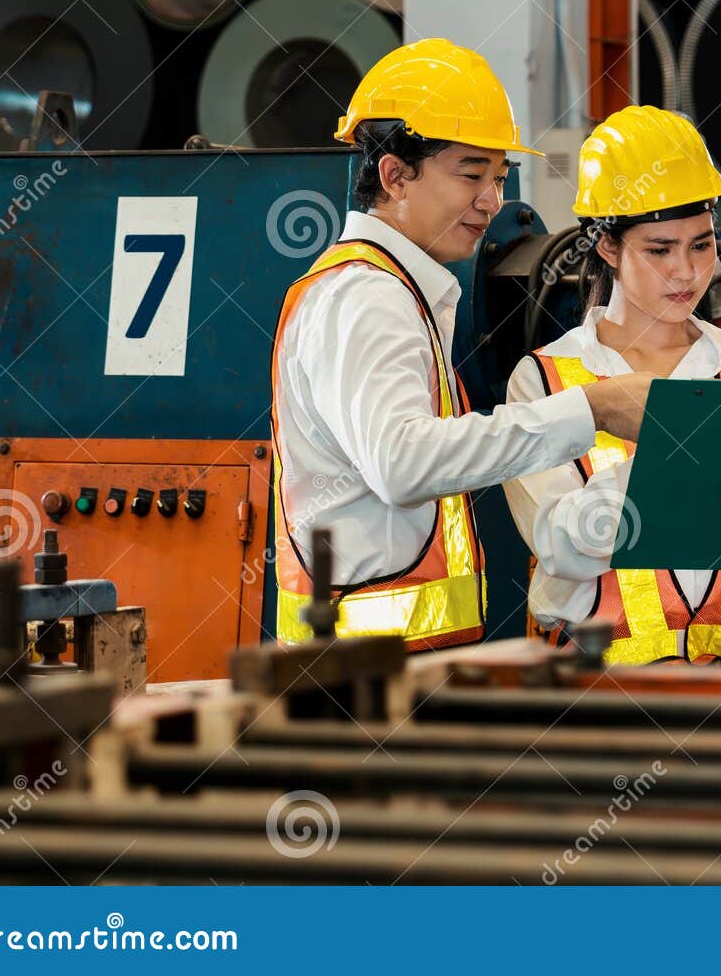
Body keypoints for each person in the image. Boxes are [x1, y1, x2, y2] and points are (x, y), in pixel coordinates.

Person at [270, 38, 652, 650]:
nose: (492, 201)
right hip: (367, 675)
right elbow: (404, 464)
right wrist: (594, 407)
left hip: (390, 665)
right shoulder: (367, 296)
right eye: (471, 173)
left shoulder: (400, 291)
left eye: (499, 177)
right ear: (394, 175)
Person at [504, 105, 721, 665]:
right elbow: (558, 547)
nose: (686, 272)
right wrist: (670, 459)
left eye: (701, 244)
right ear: (606, 246)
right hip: (607, 699)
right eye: (659, 249)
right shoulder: (546, 382)